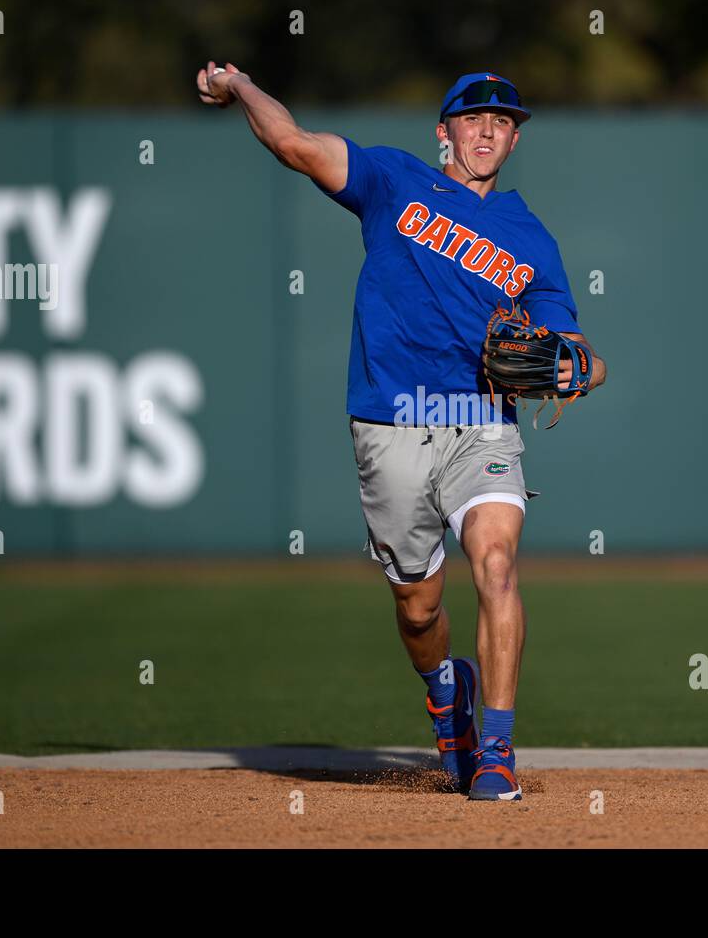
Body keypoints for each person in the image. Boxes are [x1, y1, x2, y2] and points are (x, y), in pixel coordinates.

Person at [197, 64, 607, 800]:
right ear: (443, 131)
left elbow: (575, 349)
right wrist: (242, 87)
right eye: (474, 118)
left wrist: (579, 366)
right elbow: (291, 142)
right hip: (390, 423)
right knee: (419, 608)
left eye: (504, 122)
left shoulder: (530, 239)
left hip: (481, 425)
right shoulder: (392, 180)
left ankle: (498, 751)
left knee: (497, 563)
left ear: (514, 140)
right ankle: (447, 694)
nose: (488, 131)